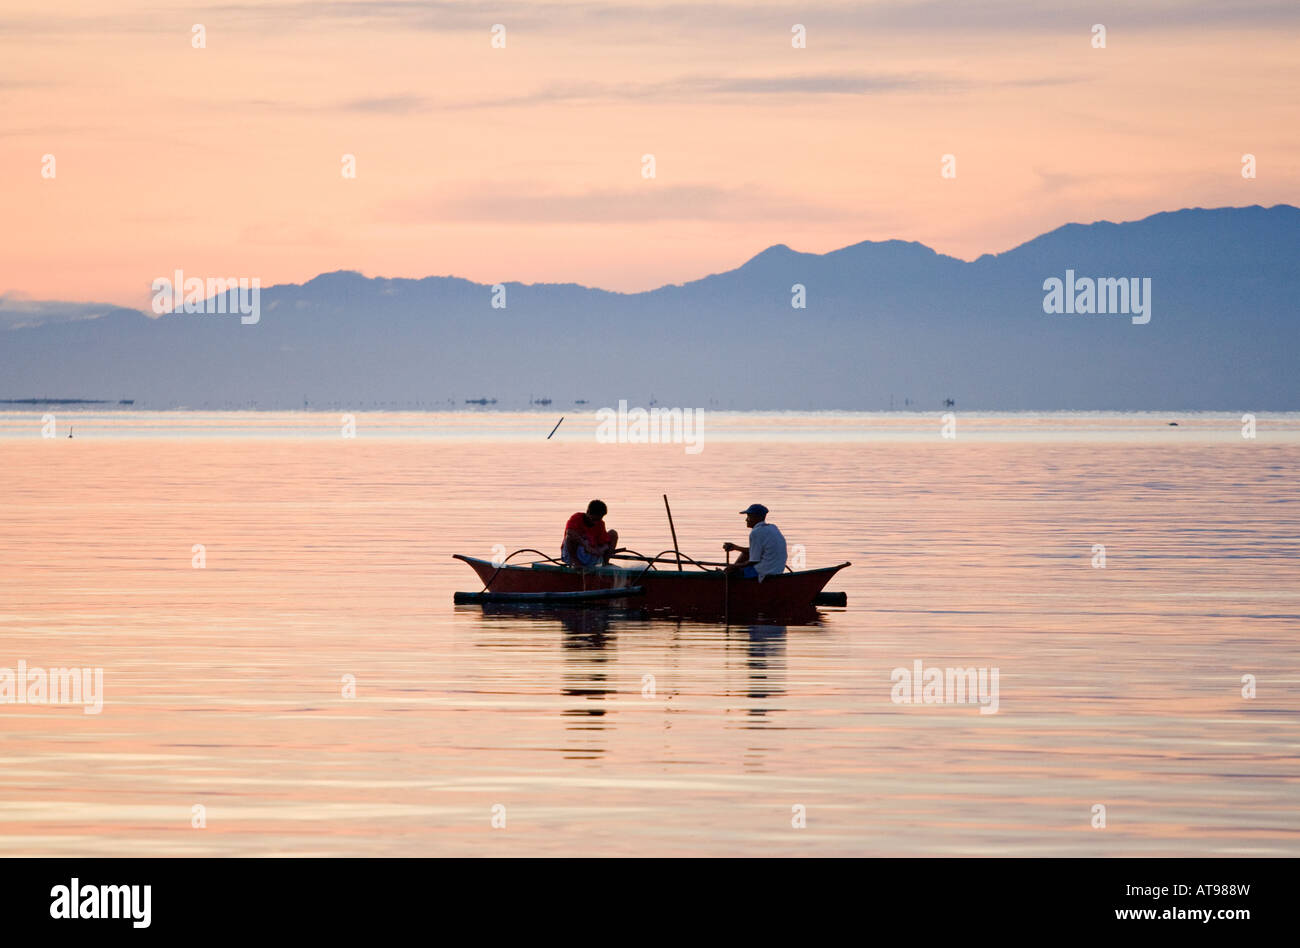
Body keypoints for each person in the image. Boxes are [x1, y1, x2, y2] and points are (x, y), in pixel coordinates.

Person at [723, 503, 787, 581]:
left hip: (763, 571)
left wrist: (734, 566)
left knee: (733, 572)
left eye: (749, 516)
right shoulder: (772, 527)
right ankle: (728, 572)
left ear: (756, 517)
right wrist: (736, 547)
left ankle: (726, 575)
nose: (746, 520)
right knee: (745, 553)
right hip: (777, 569)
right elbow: (755, 551)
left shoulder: (756, 532)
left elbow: (753, 561)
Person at [562, 500, 620, 568]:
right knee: (569, 537)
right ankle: (576, 563)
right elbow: (569, 532)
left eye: (599, 519)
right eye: (594, 519)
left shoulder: (600, 523)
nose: (596, 523)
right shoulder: (577, 517)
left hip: (591, 555)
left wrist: (600, 550)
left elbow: (605, 543)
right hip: (574, 555)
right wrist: (586, 546)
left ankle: (605, 564)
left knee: (613, 533)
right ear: (588, 512)